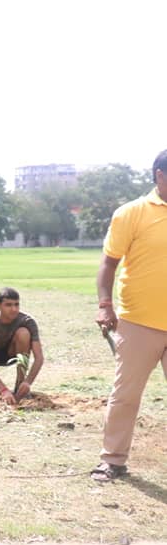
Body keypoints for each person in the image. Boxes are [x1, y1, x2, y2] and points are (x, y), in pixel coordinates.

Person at [91, 150, 167, 483]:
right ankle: (113, 460)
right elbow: (109, 263)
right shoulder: (132, 213)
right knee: (125, 395)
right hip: (139, 322)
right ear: (159, 175)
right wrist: (105, 305)